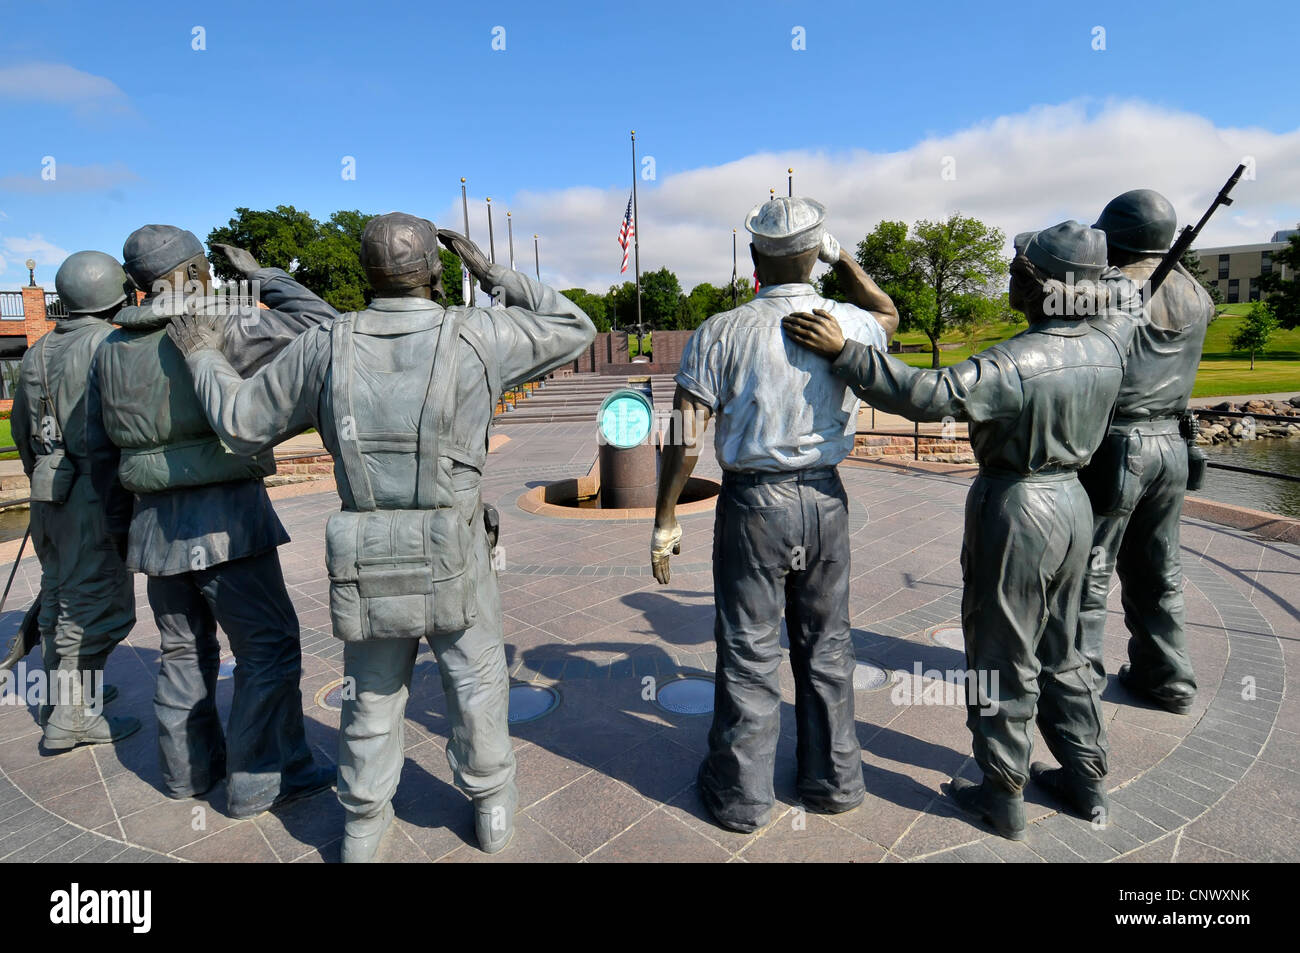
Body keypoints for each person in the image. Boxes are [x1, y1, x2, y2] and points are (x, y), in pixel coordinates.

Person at [166, 213, 596, 861]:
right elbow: (578, 328)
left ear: (367, 275)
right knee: (475, 682)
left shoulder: (326, 345)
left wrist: (200, 350)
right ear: (434, 271)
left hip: (368, 547)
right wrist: (492, 274)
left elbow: (240, 422)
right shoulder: (479, 334)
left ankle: (364, 824)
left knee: (372, 691)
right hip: (456, 544)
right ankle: (492, 809)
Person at [782, 221, 1135, 839]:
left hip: (1018, 506)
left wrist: (847, 352)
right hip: (1075, 505)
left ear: (1036, 283)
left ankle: (1002, 794)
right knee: (1068, 649)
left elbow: (931, 393)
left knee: (1001, 654)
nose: (1008, 275)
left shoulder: (1019, 359)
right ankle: (1086, 779)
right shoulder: (1108, 345)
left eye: (1016, 267)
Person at [652, 196, 898, 833]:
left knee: (749, 650)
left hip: (754, 505)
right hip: (825, 498)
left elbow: (684, 435)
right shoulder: (846, 322)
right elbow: (887, 312)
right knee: (827, 645)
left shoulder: (721, 331)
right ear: (815, 252)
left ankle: (742, 795)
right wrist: (843, 261)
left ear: (755, 255)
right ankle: (834, 780)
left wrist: (665, 516)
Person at [85, 225, 334, 817]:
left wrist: (120, 535)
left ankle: (187, 774)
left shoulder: (109, 351)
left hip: (153, 529)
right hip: (228, 523)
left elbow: (101, 455)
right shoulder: (229, 324)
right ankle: (262, 778)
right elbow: (326, 329)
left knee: (180, 651)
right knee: (267, 649)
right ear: (197, 272)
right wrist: (265, 278)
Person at [1078, 189, 1213, 713]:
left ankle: (1079, 680)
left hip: (1117, 444)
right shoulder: (1196, 291)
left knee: (1088, 568)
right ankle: (1168, 678)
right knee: (1159, 568)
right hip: (1172, 448)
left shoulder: (1108, 288)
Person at [11, 251, 138, 750]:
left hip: (48, 493)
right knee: (92, 602)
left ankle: (60, 697)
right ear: (115, 294)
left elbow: (23, 433)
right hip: (93, 492)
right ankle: (72, 717)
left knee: (58, 596)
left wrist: (44, 475)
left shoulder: (38, 350)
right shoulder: (111, 344)